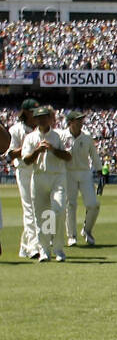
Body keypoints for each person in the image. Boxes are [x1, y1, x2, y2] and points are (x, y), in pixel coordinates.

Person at [21, 105, 71, 262]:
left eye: (45, 117)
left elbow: (68, 156)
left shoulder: (59, 136)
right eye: (39, 118)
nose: (42, 120)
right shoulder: (30, 138)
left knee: (59, 210)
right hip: (39, 178)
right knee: (41, 216)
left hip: (57, 177)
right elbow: (26, 160)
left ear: (50, 118)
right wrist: (37, 151)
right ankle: (44, 250)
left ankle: (58, 248)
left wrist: (53, 149)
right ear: (35, 120)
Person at [60, 110, 101, 247]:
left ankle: (87, 230)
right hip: (68, 173)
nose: (81, 122)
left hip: (84, 173)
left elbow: (94, 155)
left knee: (93, 204)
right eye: (78, 120)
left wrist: (100, 170)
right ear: (70, 122)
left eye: (82, 120)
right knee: (70, 205)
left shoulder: (87, 136)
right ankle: (71, 236)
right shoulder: (62, 136)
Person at [7, 98, 39, 259]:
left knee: (39, 208)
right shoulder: (15, 129)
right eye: (32, 111)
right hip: (24, 170)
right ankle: (34, 247)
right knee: (29, 209)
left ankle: (24, 247)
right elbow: (9, 154)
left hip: (40, 171)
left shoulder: (41, 129)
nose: (35, 114)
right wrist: (28, 147)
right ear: (25, 112)